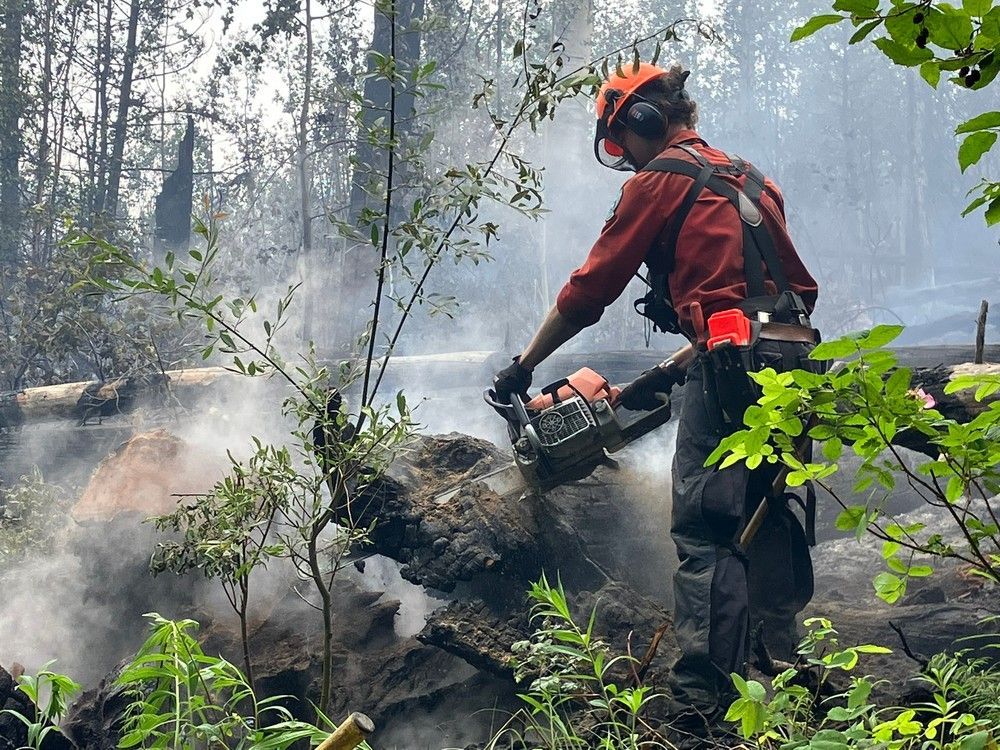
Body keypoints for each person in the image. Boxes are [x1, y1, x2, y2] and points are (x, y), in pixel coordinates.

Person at [491, 62, 822, 746]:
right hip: (791, 358)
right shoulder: (755, 180)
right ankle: (786, 672)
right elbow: (773, 298)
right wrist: (670, 370)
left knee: (707, 529)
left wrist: (523, 366)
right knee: (773, 510)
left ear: (641, 121)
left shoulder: (661, 181)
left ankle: (702, 708)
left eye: (622, 140)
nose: (625, 157)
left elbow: (591, 289)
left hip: (730, 367)